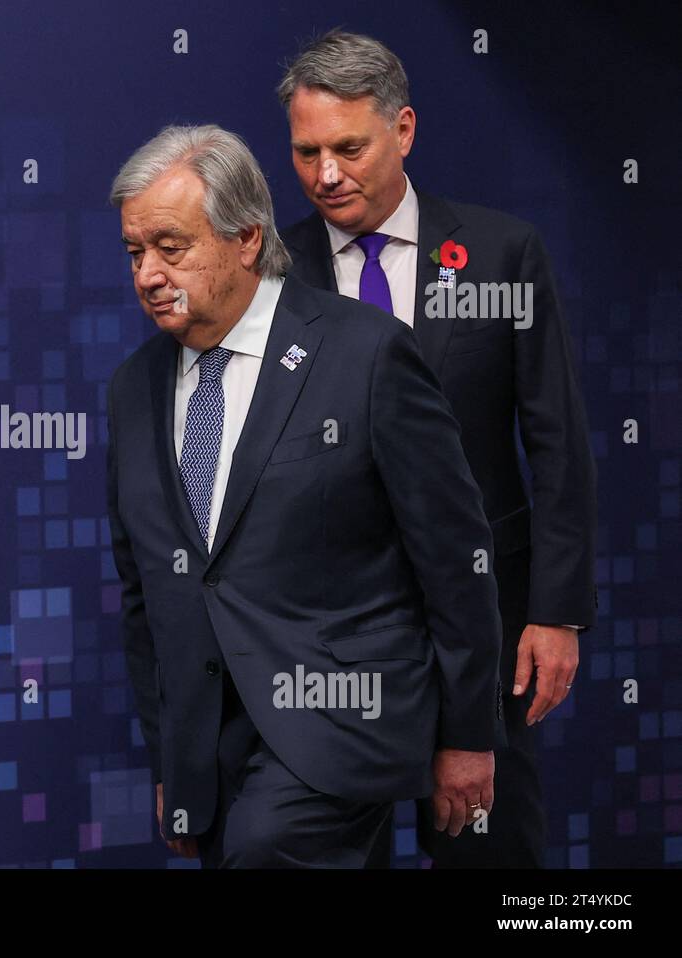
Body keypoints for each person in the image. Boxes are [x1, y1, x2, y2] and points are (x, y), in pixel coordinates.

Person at [106, 123, 503, 867]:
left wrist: (468, 731)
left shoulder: (366, 353)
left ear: (248, 239)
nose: (148, 275)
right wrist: (174, 763)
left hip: (338, 725)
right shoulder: (134, 388)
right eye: (135, 253)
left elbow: (456, 557)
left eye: (171, 247)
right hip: (212, 749)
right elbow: (146, 594)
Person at [277, 30, 596, 867]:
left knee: (492, 854)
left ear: (404, 130)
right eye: (307, 152)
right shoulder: (271, 273)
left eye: (349, 147)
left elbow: (556, 441)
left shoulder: (501, 254)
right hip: (331, 637)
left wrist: (556, 611)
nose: (327, 174)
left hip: (487, 620)